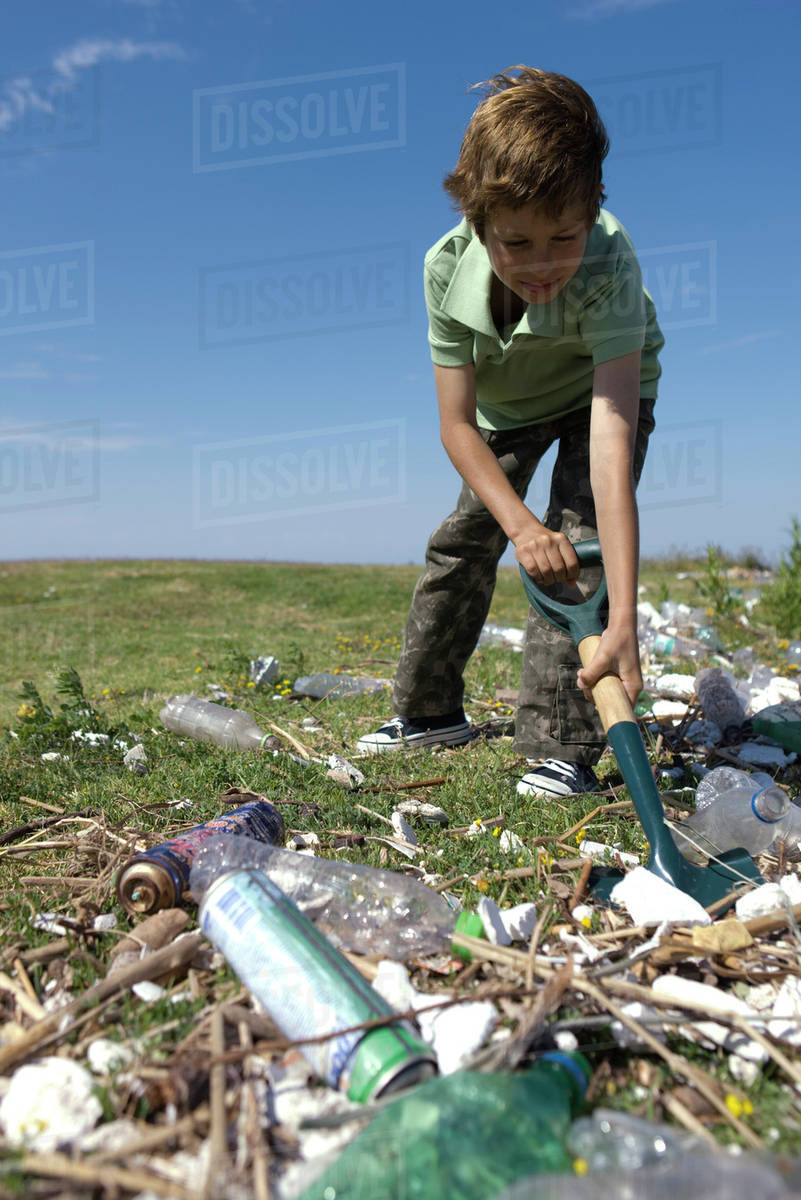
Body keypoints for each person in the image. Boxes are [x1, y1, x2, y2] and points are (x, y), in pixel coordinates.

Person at [357, 67, 664, 799]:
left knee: (572, 543)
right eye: (515, 242)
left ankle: (564, 746)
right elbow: (456, 426)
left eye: (564, 236)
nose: (542, 264)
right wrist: (520, 526)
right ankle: (428, 712)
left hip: (601, 397)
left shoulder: (609, 264)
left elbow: (610, 445)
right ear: (476, 221)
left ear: (592, 209)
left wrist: (623, 616)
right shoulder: (443, 269)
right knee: (464, 540)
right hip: (506, 410)